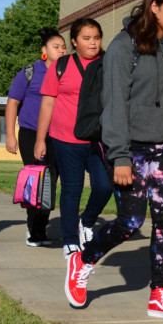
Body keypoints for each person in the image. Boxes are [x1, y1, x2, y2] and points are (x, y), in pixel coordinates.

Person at [64, 0, 163, 320]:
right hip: (132, 149)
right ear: (154, 7)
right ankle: (84, 259)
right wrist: (120, 157)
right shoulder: (125, 47)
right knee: (131, 222)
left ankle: (160, 294)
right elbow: (114, 106)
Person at [35, 18, 111, 259]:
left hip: (98, 139)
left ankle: (86, 221)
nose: (93, 42)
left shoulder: (108, 64)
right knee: (71, 189)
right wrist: (40, 140)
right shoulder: (60, 66)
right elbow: (47, 103)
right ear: (75, 41)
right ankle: (70, 240)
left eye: (96, 38)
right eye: (86, 38)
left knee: (105, 185)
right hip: (65, 139)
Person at [5, 27, 67, 247]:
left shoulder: (66, 72)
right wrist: (10, 135)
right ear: (44, 49)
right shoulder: (30, 73)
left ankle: (40, 227)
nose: (61, 50)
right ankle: (33, 229)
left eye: (63, 47)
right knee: (36, 181)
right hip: (31, 134)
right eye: (55, 47)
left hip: (58, 136)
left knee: (51, 181)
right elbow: (12, 103)